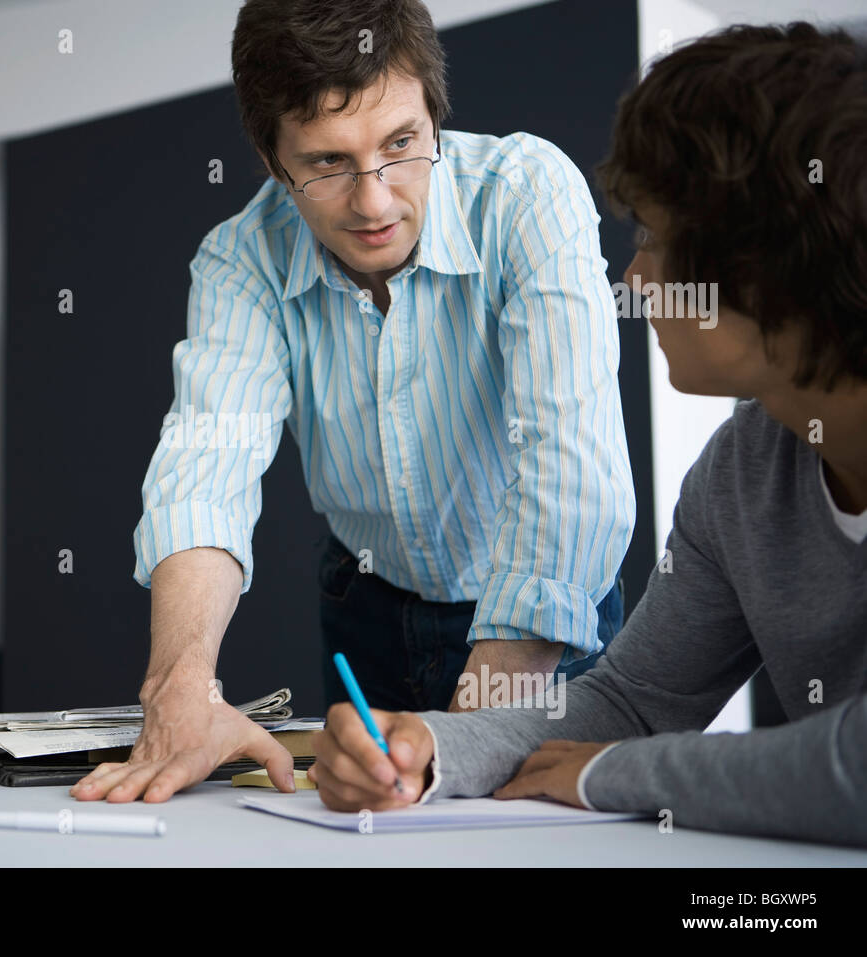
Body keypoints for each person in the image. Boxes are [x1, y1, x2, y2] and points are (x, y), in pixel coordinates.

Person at [309, 21, 867, 847]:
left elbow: (853, 770)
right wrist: (429, 746)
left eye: (654, 239)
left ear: (766, 270)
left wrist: (608, 777)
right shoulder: (742, 474)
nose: (634, 280)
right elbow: (631, 702)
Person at [73, 0, 634, 805]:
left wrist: (466, 738)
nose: (374, 203)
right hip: (371, 610)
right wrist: (179, 689)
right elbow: (205, 472)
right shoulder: (241, 259)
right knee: (375, 837)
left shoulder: (525, 192)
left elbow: (571, 469)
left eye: (402, 146)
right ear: (273, 160)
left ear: (436, 117)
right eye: (329, 163)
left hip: (547, 614)